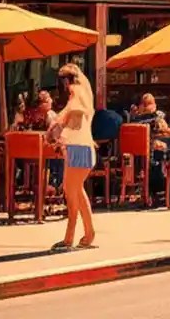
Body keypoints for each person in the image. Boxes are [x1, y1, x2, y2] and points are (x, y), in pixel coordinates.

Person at [50, 63, 97, 251]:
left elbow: (75, 124)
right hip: (82, 148)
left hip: (78, 148)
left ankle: (70, 237)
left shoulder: (76, 96)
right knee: (77, 191)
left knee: (71, 194)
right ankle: (88, 233)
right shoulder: (80, 96)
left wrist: (60, 136)